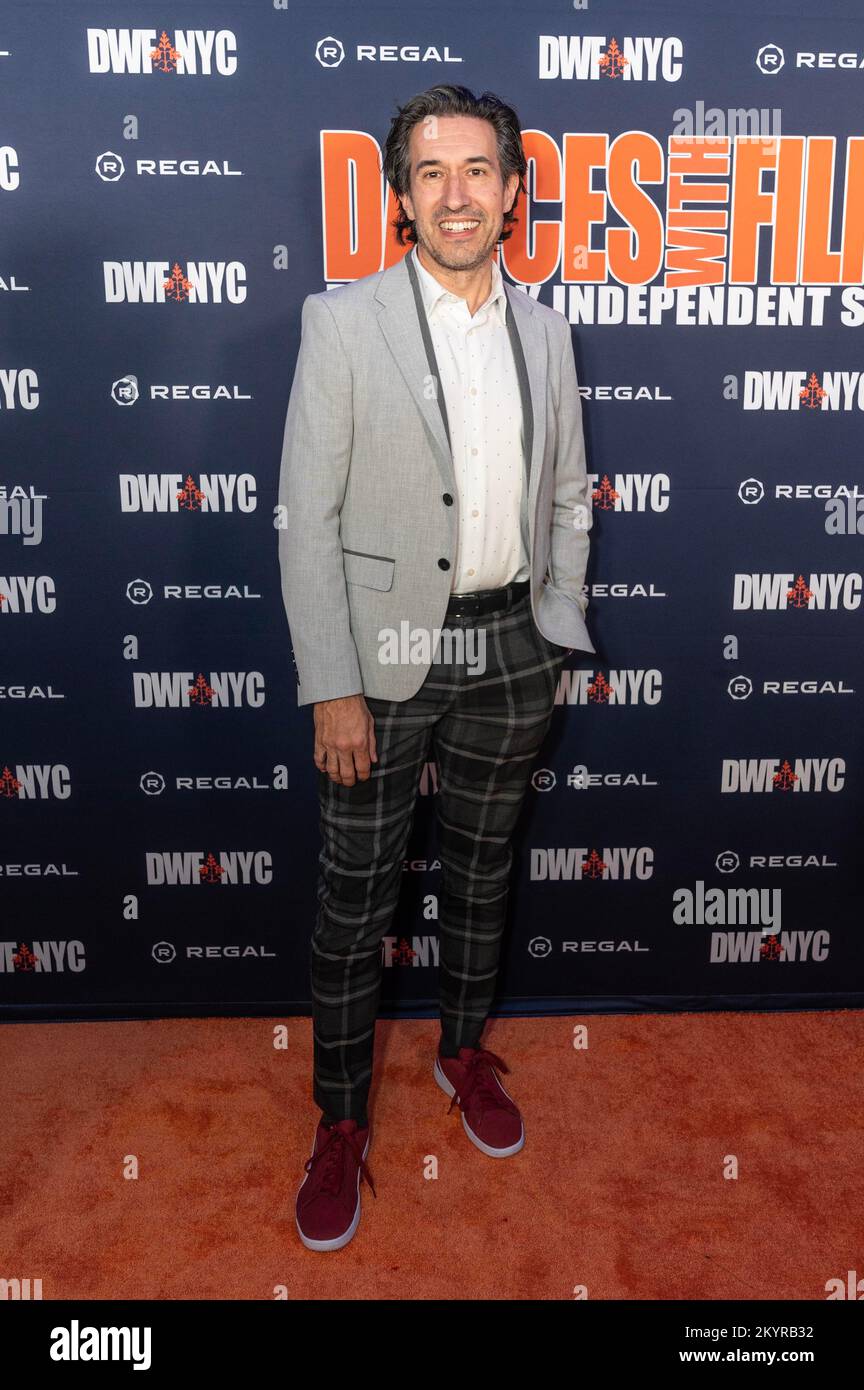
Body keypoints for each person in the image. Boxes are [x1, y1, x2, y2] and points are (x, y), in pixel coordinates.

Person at [278, 83, 595, 1251]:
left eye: (477, 172)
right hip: (383, 655)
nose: (456, 194)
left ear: (513, 193)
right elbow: (306, 518)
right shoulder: (343, 321)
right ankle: (341, 1122)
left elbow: (567, 492)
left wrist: (555, 626)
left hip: (512, 647)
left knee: (480, 871)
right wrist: (334, 682)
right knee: (354, 904)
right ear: (402, 198)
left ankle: (464, 1052)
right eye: (431, 174)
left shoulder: (549, 330)